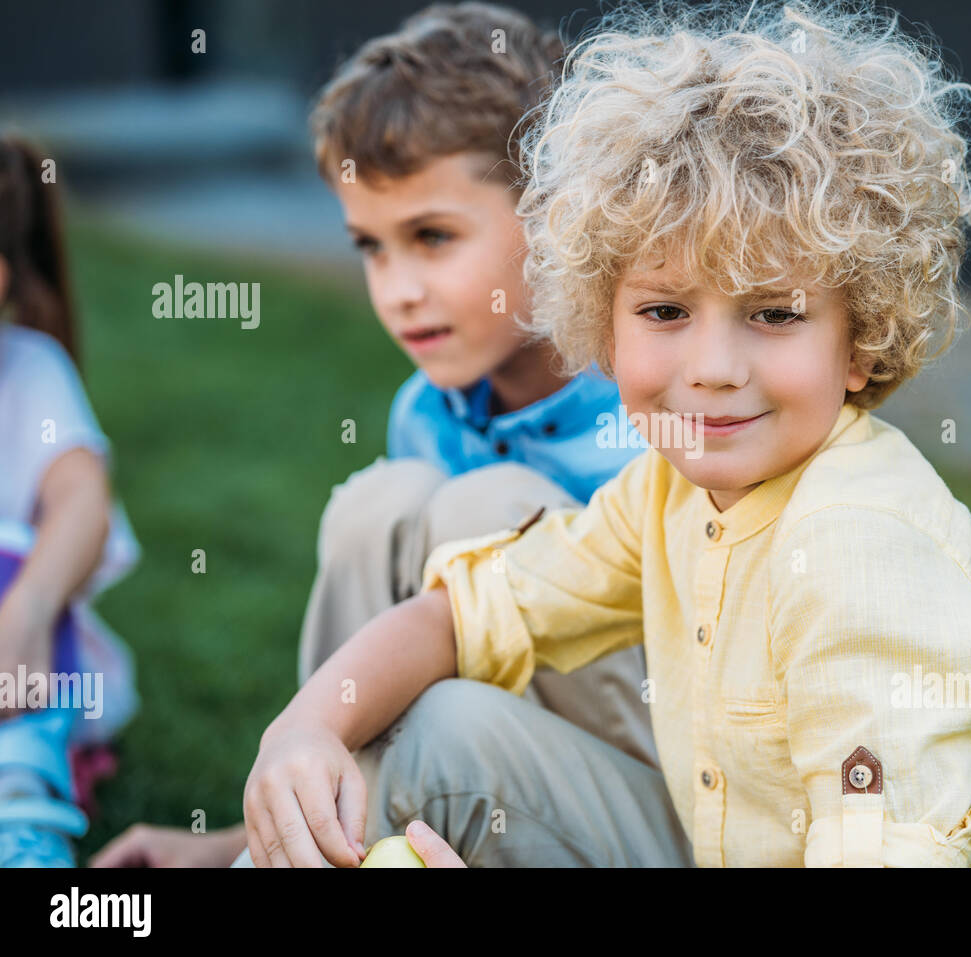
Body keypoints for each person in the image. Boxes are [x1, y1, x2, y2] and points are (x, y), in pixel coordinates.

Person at [239, 0, 971, 867]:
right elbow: (466, 616)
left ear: (859, 341)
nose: (711, 366)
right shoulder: (667, 487)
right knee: (441, 729)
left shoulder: (859, 547)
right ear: (599, 320)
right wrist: (307, 725)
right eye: (664, 309)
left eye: (773, 314)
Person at [90, 2, 656, 868]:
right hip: (468, 763)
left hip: (655, 799)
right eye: (371, 246)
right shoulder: (423, 414)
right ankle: (301, 819)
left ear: (556, 213)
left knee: (489, 507)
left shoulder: (655, 404)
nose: (397, 289)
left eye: (432, 237)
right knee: (379, 505)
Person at [0, 134, 140, 867]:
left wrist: (26, 606)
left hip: (21, 671)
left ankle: (21, 805)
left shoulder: (28, 372)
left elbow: (81, 496)